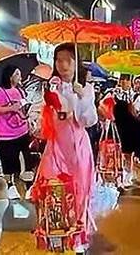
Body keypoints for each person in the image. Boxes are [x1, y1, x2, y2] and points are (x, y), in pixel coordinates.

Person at [34, 43, 98, 253]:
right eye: (58, 59)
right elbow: (44, 119)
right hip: (56, 147)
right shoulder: (51, 87)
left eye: (67, 59)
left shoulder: (86, 88)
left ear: (75, 62)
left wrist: (81, 99)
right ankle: (56, 232)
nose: (62, 64)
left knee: (79, 192)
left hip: (78, 148)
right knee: (52, 188)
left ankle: (78, 237)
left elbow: (89, 120)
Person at [0, 65, 35, 199]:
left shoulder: (19, 91)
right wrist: (10, 108)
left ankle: (29, 185)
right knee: (9, 160)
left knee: (26, 158)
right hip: (5, 133)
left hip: (22, 129)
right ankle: (10, 185)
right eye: (17, 74)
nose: (20, 77)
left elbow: (22, 106)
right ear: (10, 76)